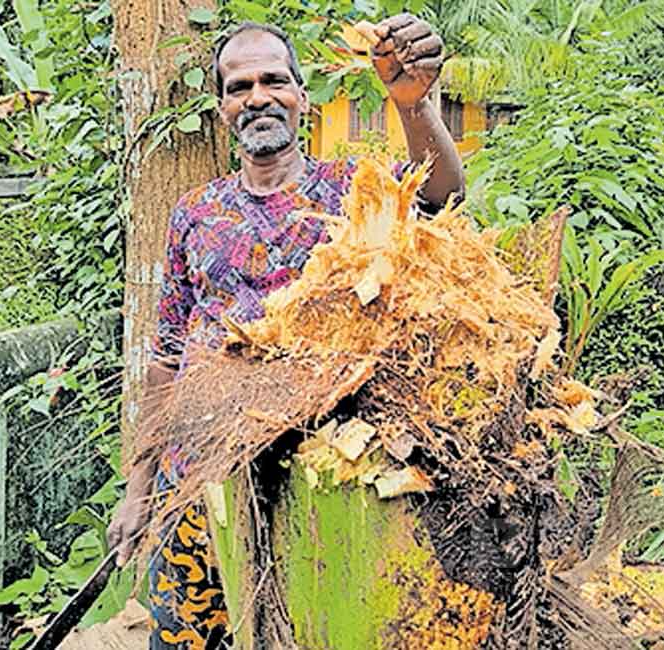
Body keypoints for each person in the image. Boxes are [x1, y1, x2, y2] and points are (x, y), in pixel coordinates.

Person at [104, 14, 465, 649]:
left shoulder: (350, 191)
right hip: (197, 479)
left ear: (301, 95)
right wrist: (138, 488)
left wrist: (413, 107)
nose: (257, 97)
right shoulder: (195, 213)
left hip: (312, 485)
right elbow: (165, 359)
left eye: (274, 80)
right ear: (222, 108)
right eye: (239, 86)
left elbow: (439, 197)